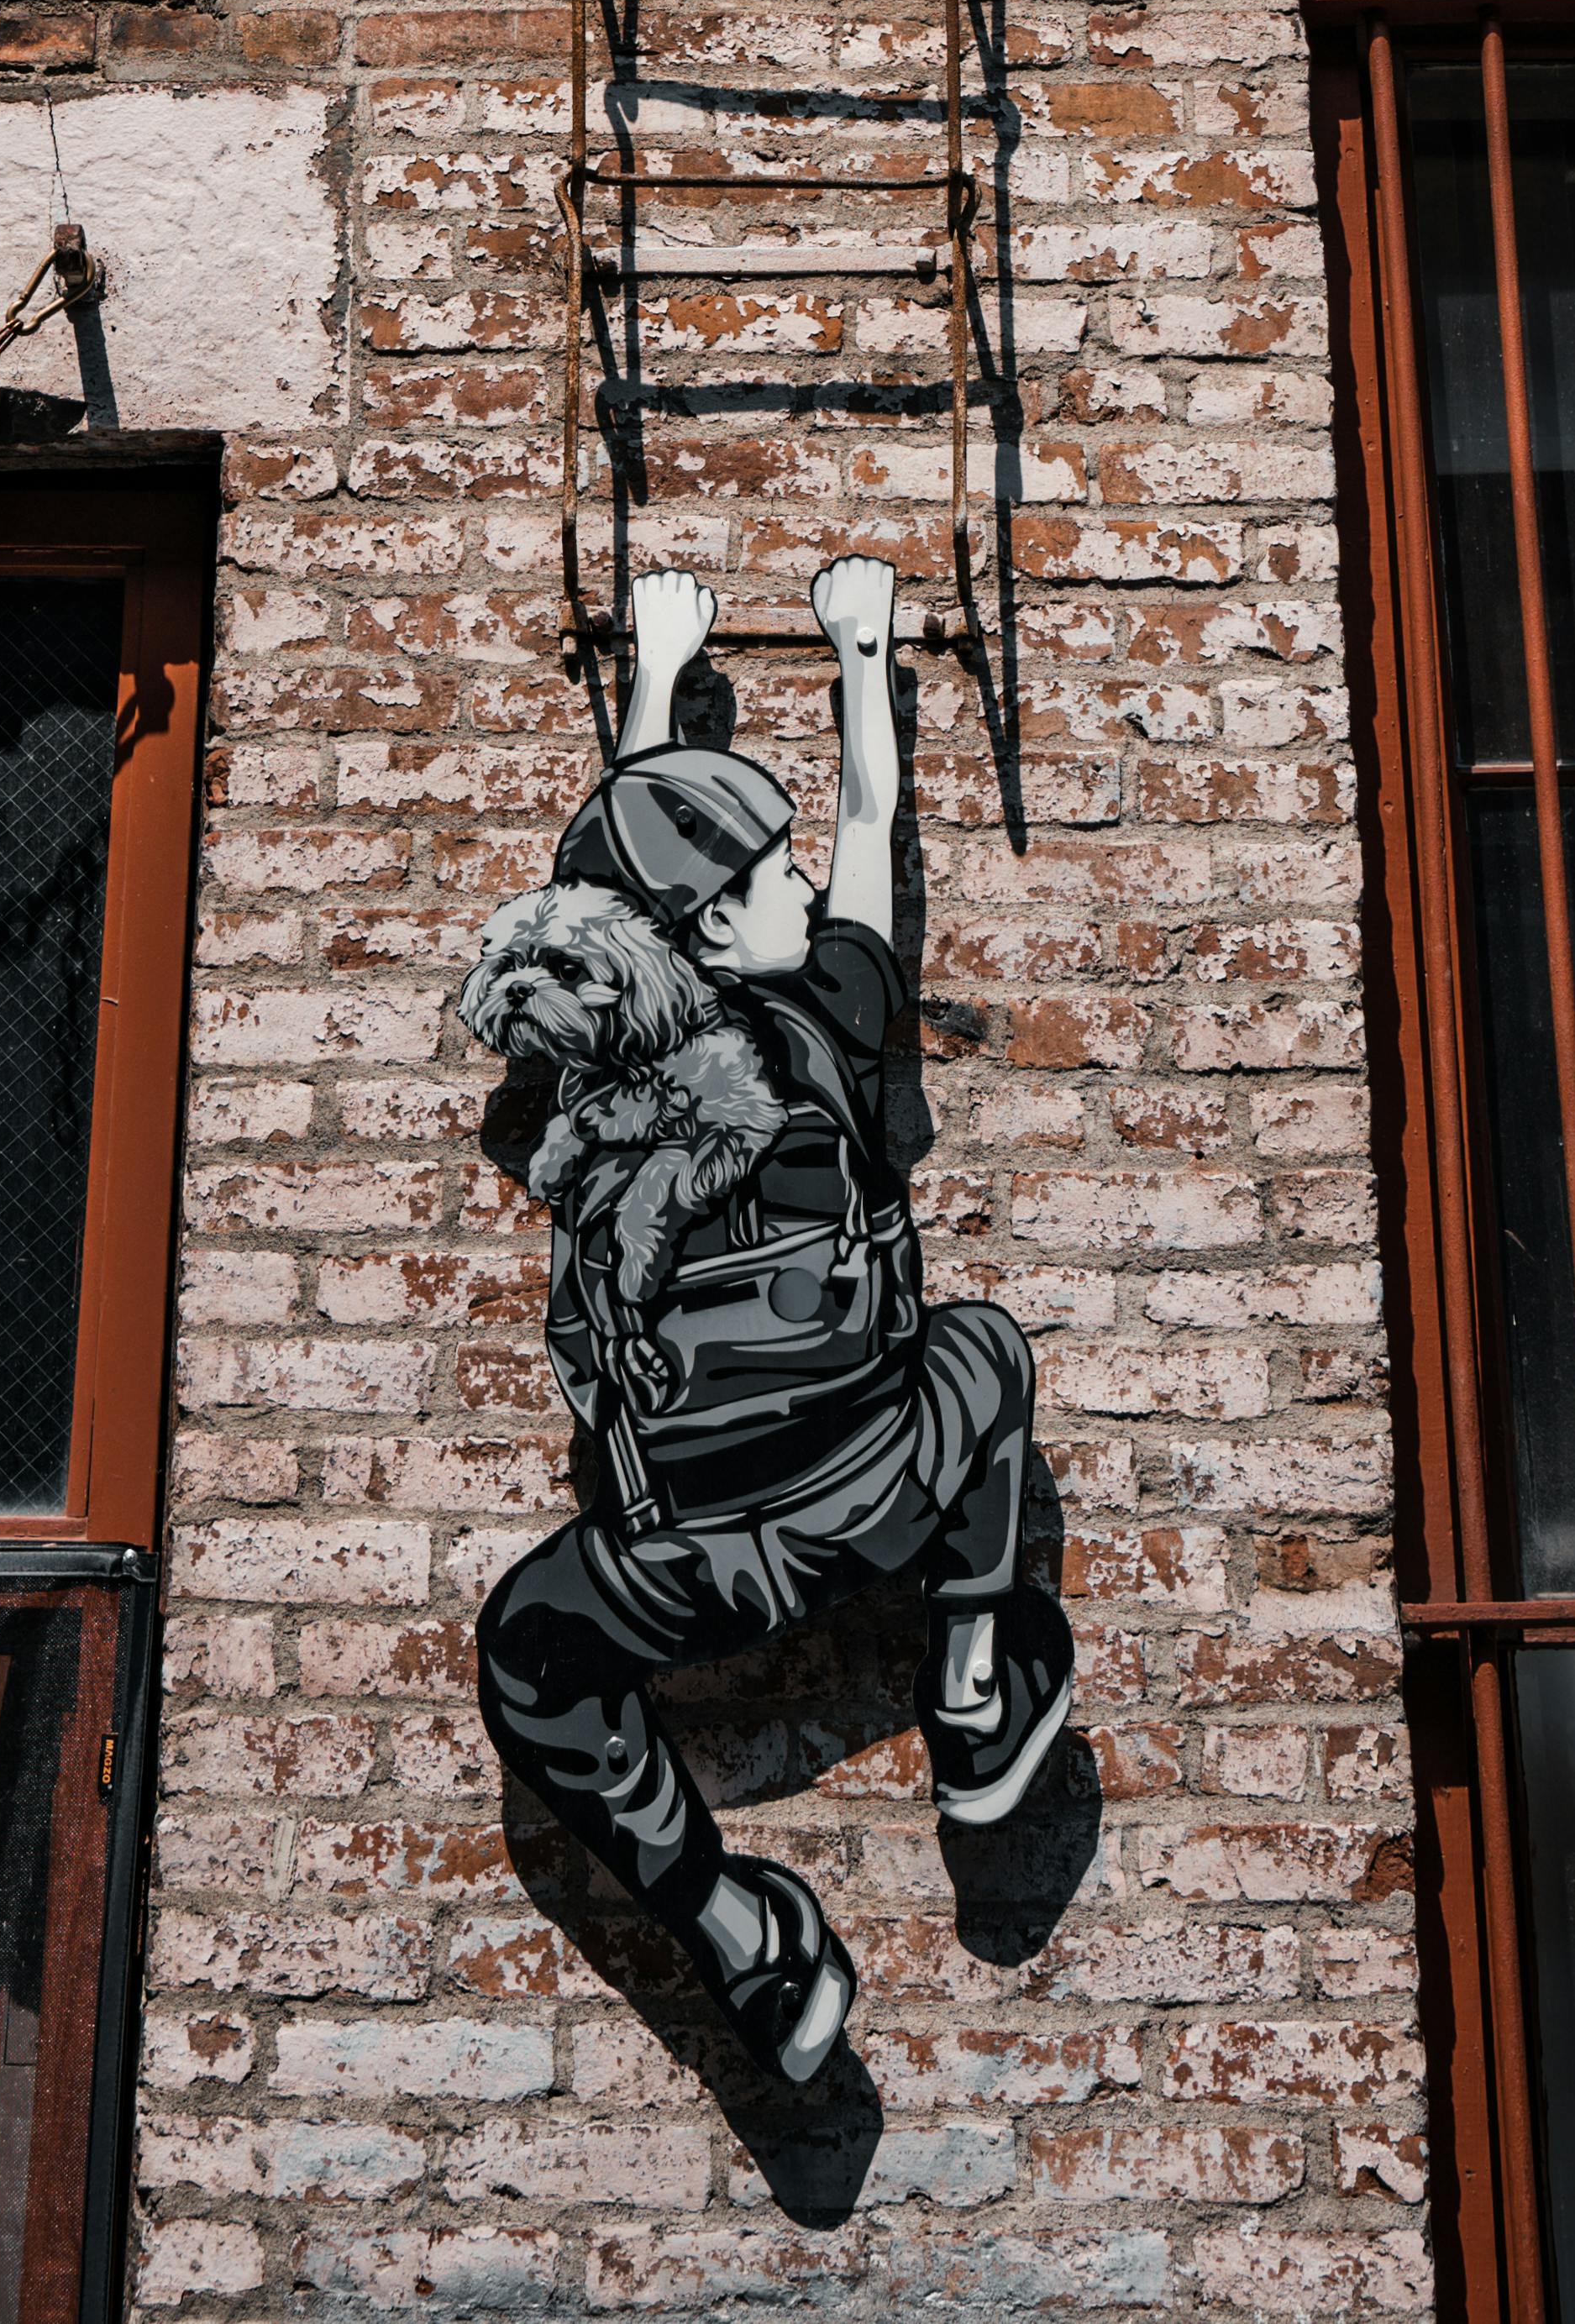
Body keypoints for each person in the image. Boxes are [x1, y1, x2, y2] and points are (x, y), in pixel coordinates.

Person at [461, 551, 1070, 2084]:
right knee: (982, 1350)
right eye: (769, 876)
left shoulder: (585, 1078)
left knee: (529, 1645)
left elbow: (609, 911)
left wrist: (660, 677)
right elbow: (868, 827)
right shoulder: (834, 1016)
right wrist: (862, 655)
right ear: (722, 936)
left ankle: (738, 1931)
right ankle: (974, 1683)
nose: (804, 878)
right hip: (877, 1485)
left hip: (690, 1563)